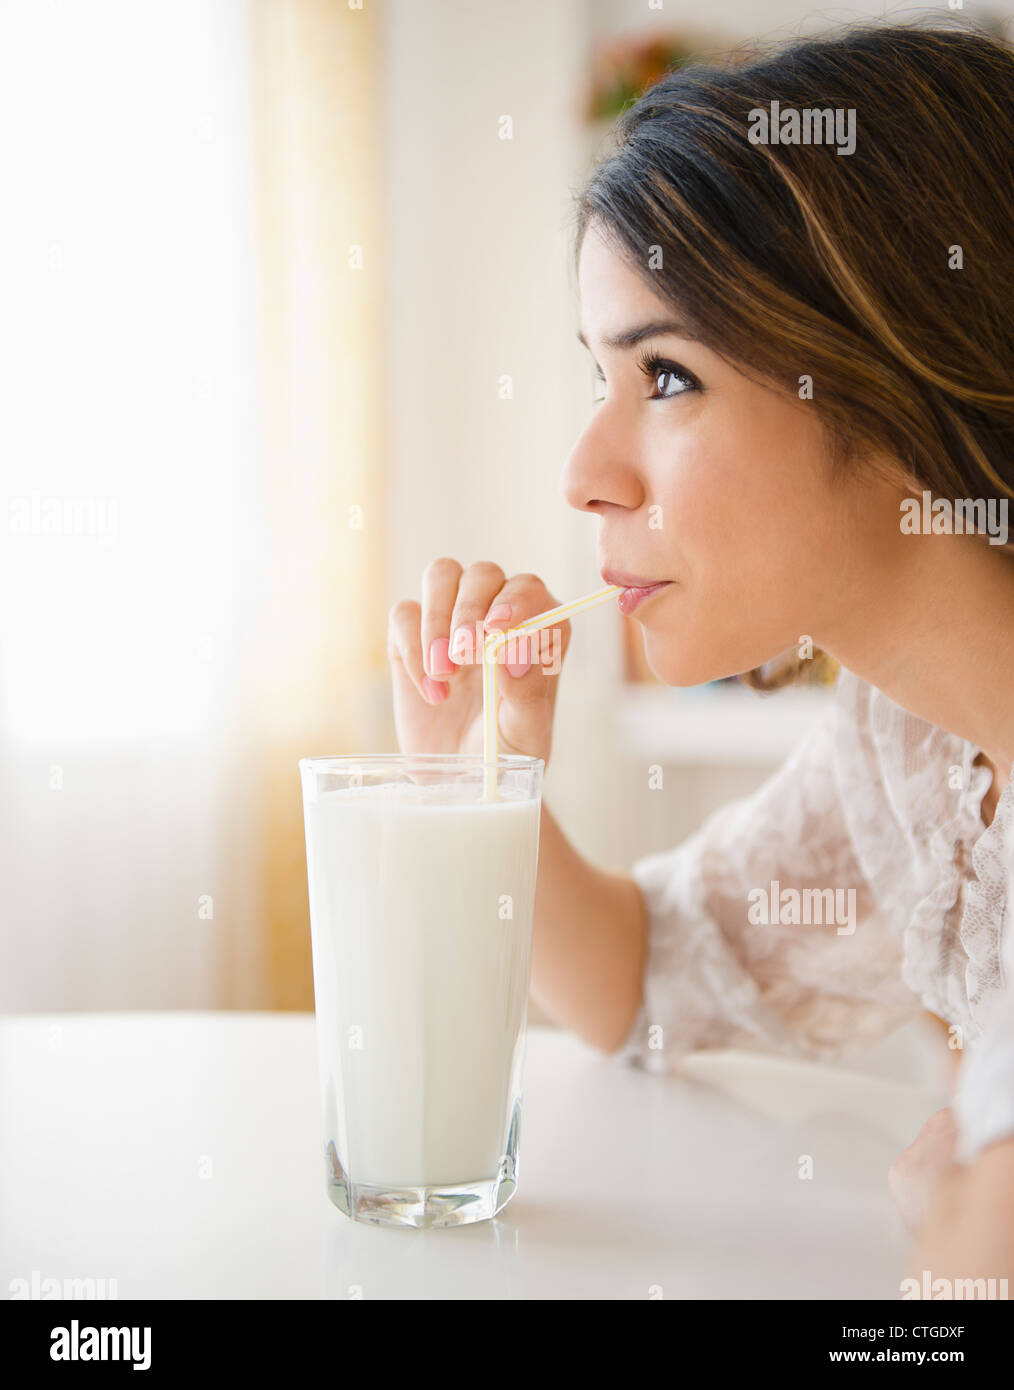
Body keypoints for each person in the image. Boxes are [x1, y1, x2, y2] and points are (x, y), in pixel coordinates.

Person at [386, 22, 1014, 1288]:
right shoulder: (915, 748)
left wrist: (962, 1247)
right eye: (599, 380)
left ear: (893, 364)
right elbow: (641, 981)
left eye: (665, 376)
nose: (582, 474)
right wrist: (486, 784)